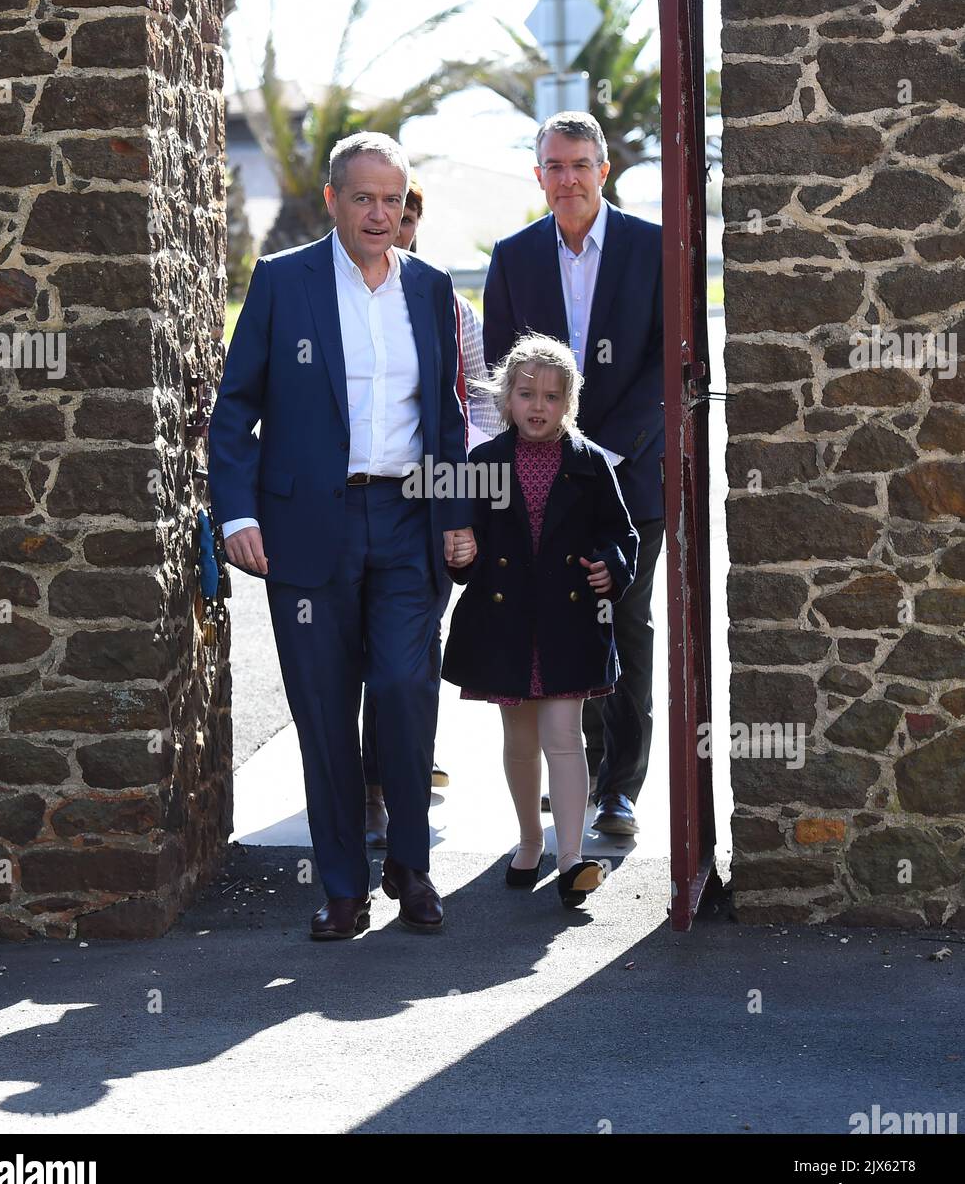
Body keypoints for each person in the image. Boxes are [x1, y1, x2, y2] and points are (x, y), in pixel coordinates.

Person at [208, 132, 476, 940]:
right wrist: (238, 515)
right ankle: (341, 887)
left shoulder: (429, 288)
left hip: (406, 522)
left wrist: (456, 515)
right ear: (332, 201)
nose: (379, 214)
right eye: (363, 198)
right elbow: (234, 408)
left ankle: (409, 866)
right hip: (305, 527)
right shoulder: (282, 281)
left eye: (391, 200)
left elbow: (448, 418)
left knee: (404, 688)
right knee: (324, 709)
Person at [483, 111, 663, 838]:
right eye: (554, 166)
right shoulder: (514, 256)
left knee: (624, 619)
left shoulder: (652, 247)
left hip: (632, 473)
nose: (567, 179)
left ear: (603, 170)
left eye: (580, 164)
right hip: (541, 482)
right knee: (561, 617)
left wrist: (602, 452)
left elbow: (668, 360)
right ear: (539, 176)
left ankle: (619, 788)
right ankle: (574, 773)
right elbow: (501, 366)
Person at [441, 334, 639, 909]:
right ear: (507, 399)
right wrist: (461, 554)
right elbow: (464, 542)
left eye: (552, 397)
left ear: (568, 404)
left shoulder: (590, 463)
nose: (538, 406)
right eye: (527, 394)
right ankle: (530, 841)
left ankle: (572, 858)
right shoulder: (484, 463)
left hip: (568, 623)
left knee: (564, 738)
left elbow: (621, 533)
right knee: (521, 740)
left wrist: (610, 566)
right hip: (506, 625)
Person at [363, 179, 500, 848]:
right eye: (381, 208)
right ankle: (370, 784)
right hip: (358, 496)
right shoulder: (341, 298)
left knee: (414, 643)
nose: (395, 224)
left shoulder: (448, 304)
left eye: (407, 214)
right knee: (363, 650)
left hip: (432, 493)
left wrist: (464, 487)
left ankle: (403, 770)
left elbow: (481, 399)